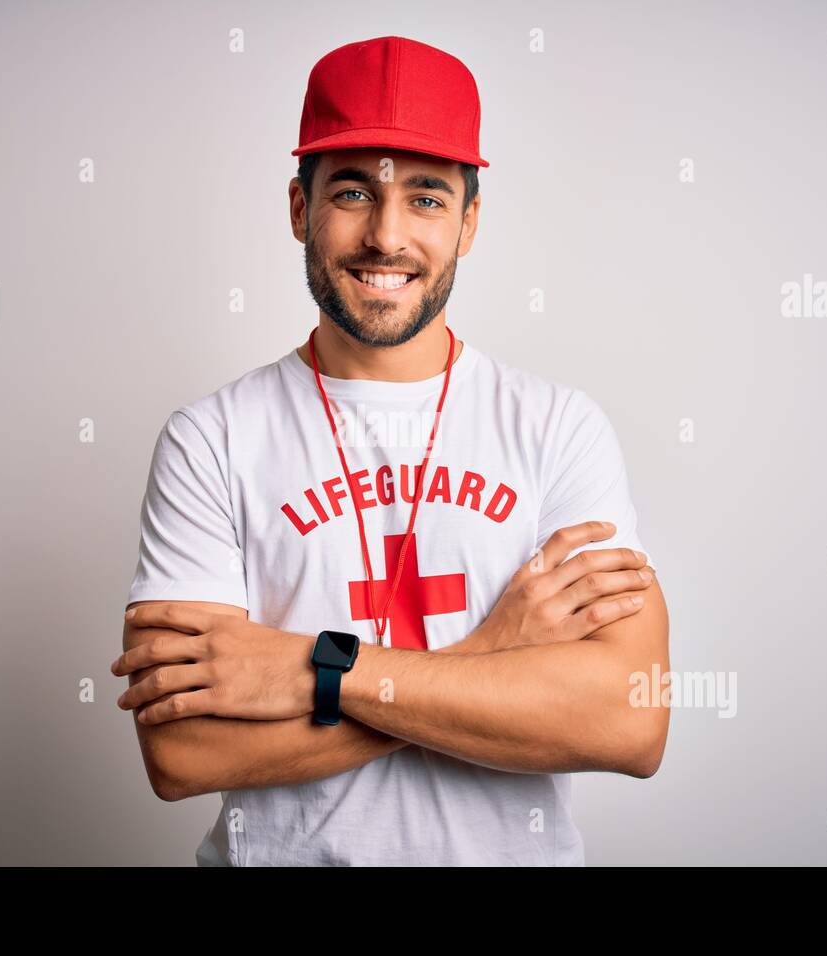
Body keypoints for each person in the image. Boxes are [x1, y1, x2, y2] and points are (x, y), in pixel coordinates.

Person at [113, 35, 670, 866]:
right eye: (351, 191)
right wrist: (486, 662)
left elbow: (629, 721)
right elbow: (183, 755)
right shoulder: (211, 440)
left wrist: (314, 673)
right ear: (300, 208)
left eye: (426, 198)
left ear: (469, 223)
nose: (386, 236)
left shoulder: (559, 428)